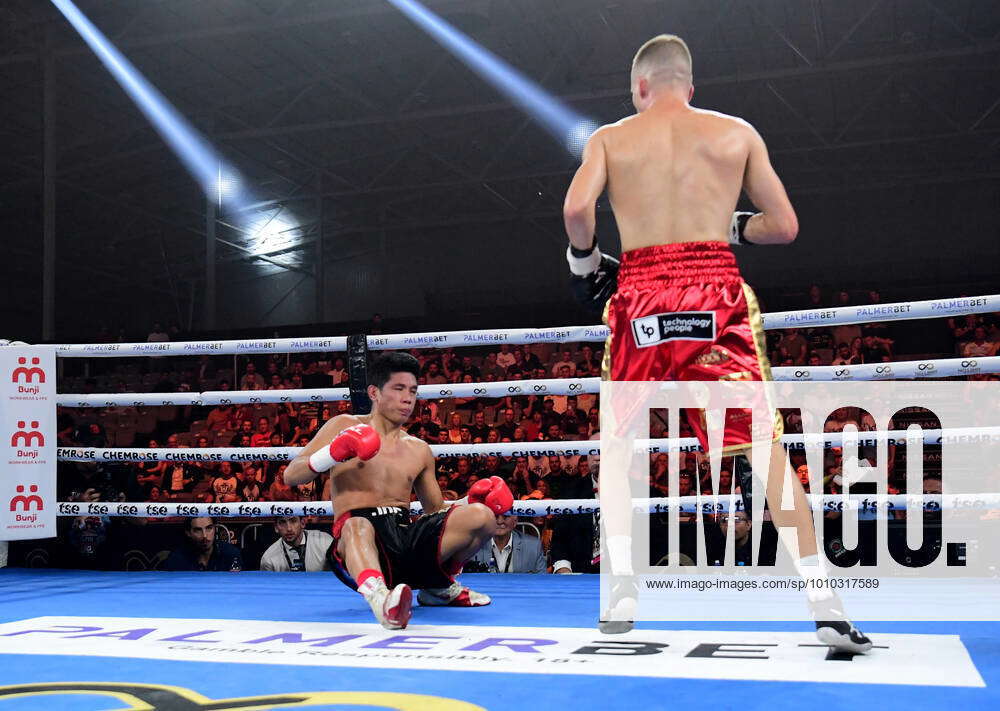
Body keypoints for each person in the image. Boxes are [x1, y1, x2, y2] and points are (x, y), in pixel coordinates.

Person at [562, 33, 870, 652]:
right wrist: (729, 226)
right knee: (763, 450)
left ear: (641, 87)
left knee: (620, 446)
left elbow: (575, 210)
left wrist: (586, 263)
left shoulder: (611, 138)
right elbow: (783, 227)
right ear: (690, 85)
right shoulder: (737, 133)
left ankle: (619, 595)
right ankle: (825, 604)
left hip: (641, 293)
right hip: (715, 293)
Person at [283, 352, 509, 630]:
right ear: (374, 392)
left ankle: (437, 587)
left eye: (413, 391)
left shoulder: (419, 449)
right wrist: (333, 452)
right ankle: (381, 600)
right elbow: (291, 475)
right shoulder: (344, 425)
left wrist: (470, 500)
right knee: (356, 525)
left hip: (404, 538)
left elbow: (434, 511)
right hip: (359, 544)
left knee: (481, 515)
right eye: (399, 389)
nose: (407, 398)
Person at [468, 512, 547, 573]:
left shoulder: (533, 545)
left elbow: (542, 579)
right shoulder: (474, 544)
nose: (500, 521)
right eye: (495, 516)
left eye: (506, 516)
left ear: (515, 520)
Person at [164, 517, 242, 571]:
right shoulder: (177, 558)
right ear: (188, 533)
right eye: (198, 530)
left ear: (215, 529)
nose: (204, 535)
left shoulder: (231, 554)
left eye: (209, 528)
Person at [259, 515, 334, 572]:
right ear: (276, 527)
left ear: (302, 523)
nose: (289, 528)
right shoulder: (268, 559)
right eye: (282, 522)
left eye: (293, 521)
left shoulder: (325, 542)